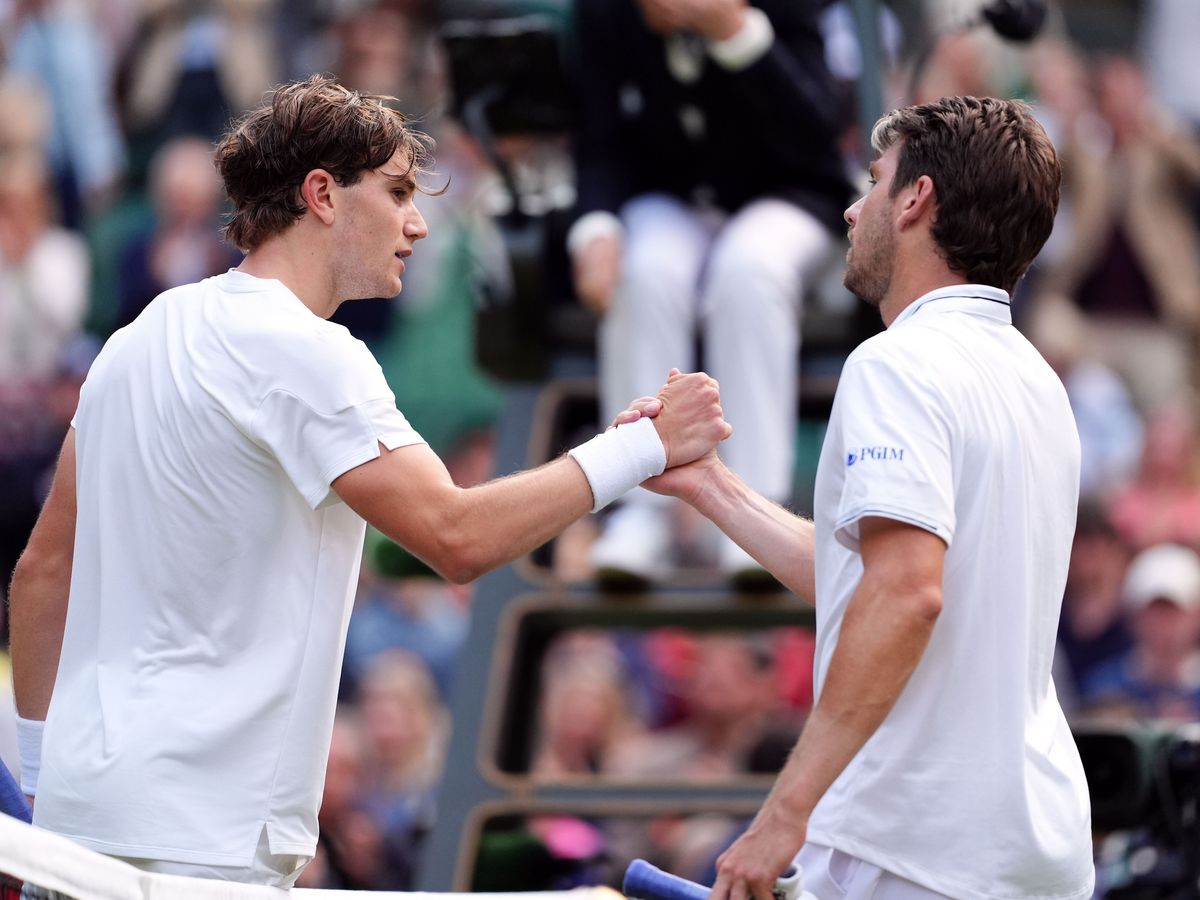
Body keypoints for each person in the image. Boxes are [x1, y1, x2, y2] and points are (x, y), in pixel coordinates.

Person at [7, 75, 731, 888]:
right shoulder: (309, 351)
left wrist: (40, 775)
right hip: (199, 841)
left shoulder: (134, 339)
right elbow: (456, 538)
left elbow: (43, 570)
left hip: (78, 825)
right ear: (321, 194)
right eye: (396, 194)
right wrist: (640, 450)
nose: (418, 223)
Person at [619, 96, 1094, 899]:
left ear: (917, 200)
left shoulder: (895, 364)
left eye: (874, 183)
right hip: (1033, 853)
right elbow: (872, 579)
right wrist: (710, 487)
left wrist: (782, 817)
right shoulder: (1035, 380)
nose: (852, 207)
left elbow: (907, 593)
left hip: (917, 854)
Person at [569, 0, 851, 583]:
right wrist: (595, 230)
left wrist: (735, 31)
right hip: (668, 198)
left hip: (791, 197)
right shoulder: (604, 13)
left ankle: (757, 510)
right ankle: (640, 510)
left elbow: (814, 134)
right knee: (643, 272)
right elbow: (596, 139)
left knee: (749, 271)